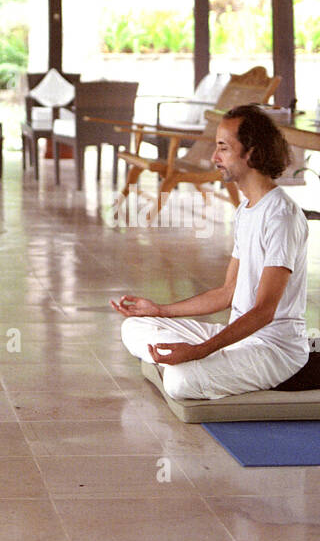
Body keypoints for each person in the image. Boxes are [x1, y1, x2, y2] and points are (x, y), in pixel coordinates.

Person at [110, 105, 309, 400]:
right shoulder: (246, 210)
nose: (214, 158)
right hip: (240, 339)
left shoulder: (281, 216)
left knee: (180, 383)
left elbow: (265, 311)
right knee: (134, 326)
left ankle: (195, 366)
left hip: (273, 348)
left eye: (223, 148)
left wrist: (200, 351)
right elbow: (228, 292)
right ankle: (204, 364)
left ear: (251, 154)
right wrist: (160, 311)